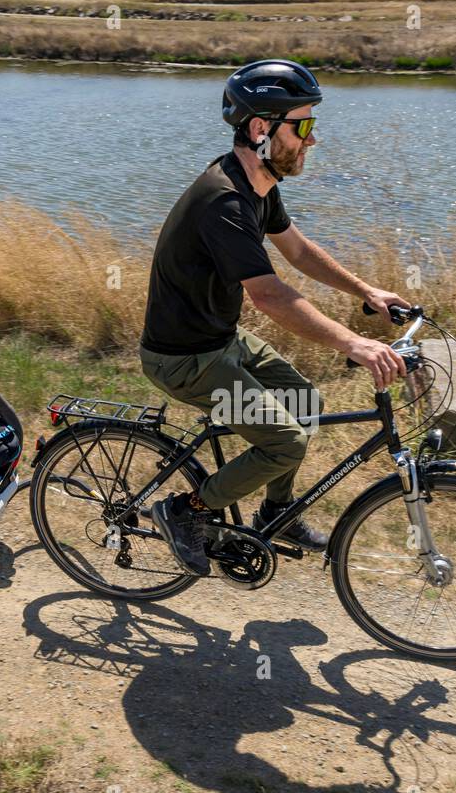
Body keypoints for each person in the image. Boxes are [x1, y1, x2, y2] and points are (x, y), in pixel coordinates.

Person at [141, 58, 410, 577]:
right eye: (303, 126)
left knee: (304, 403)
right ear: (262, 128)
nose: (312, 140)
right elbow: (268, 295)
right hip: (183, 358)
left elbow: (298, 252)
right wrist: (353, 343)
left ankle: (276, 513)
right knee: (285, 440)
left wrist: (367, 291)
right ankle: (185, 511)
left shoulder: (258, 183)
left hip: (218, 339)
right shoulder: (224, 200)